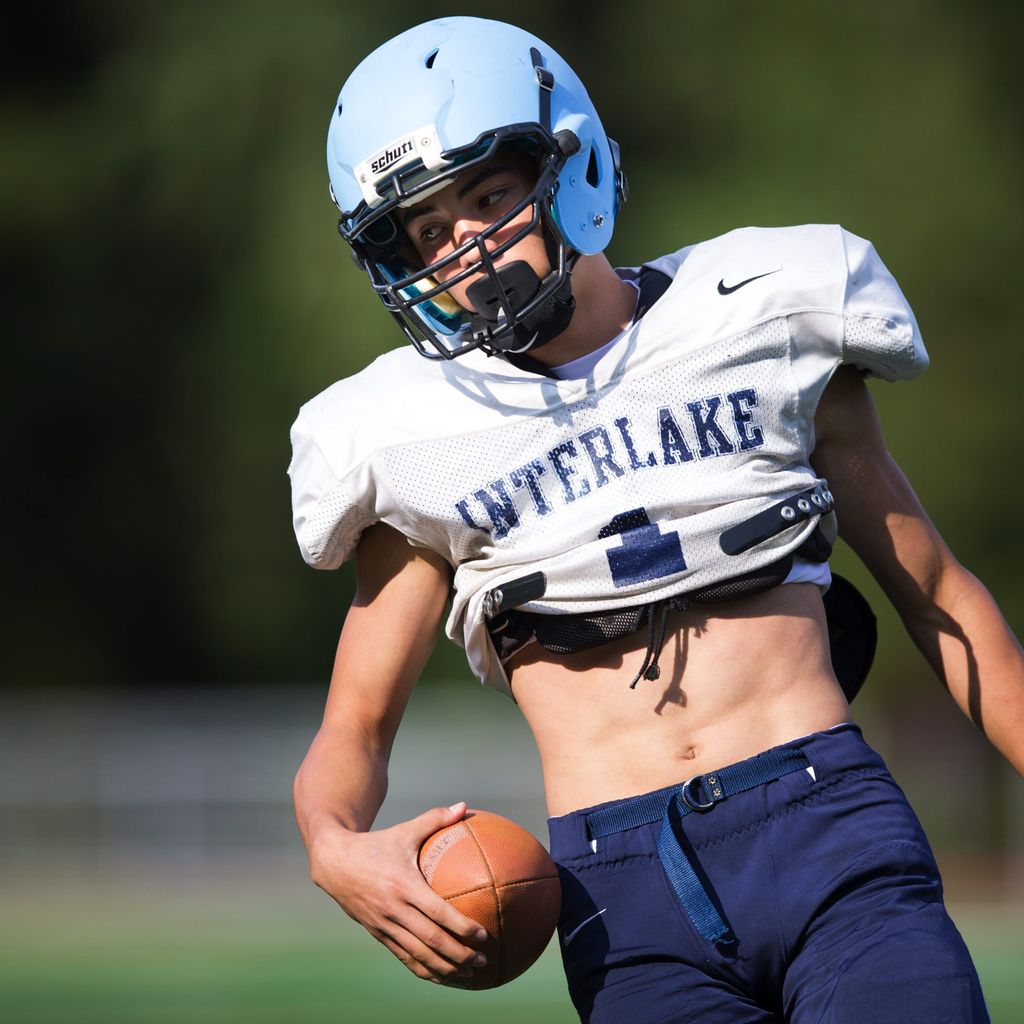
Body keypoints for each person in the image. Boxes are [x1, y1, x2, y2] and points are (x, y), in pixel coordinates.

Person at [289, 16, 1023, 1023]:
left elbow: (935, 592)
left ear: (566, 164)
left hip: (828, 830)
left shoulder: (763, 314)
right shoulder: (408, 436)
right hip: (620, 896)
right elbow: (353, 726)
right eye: (425, 232)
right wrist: (335, 844)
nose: (464, 247)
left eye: (487, 197)